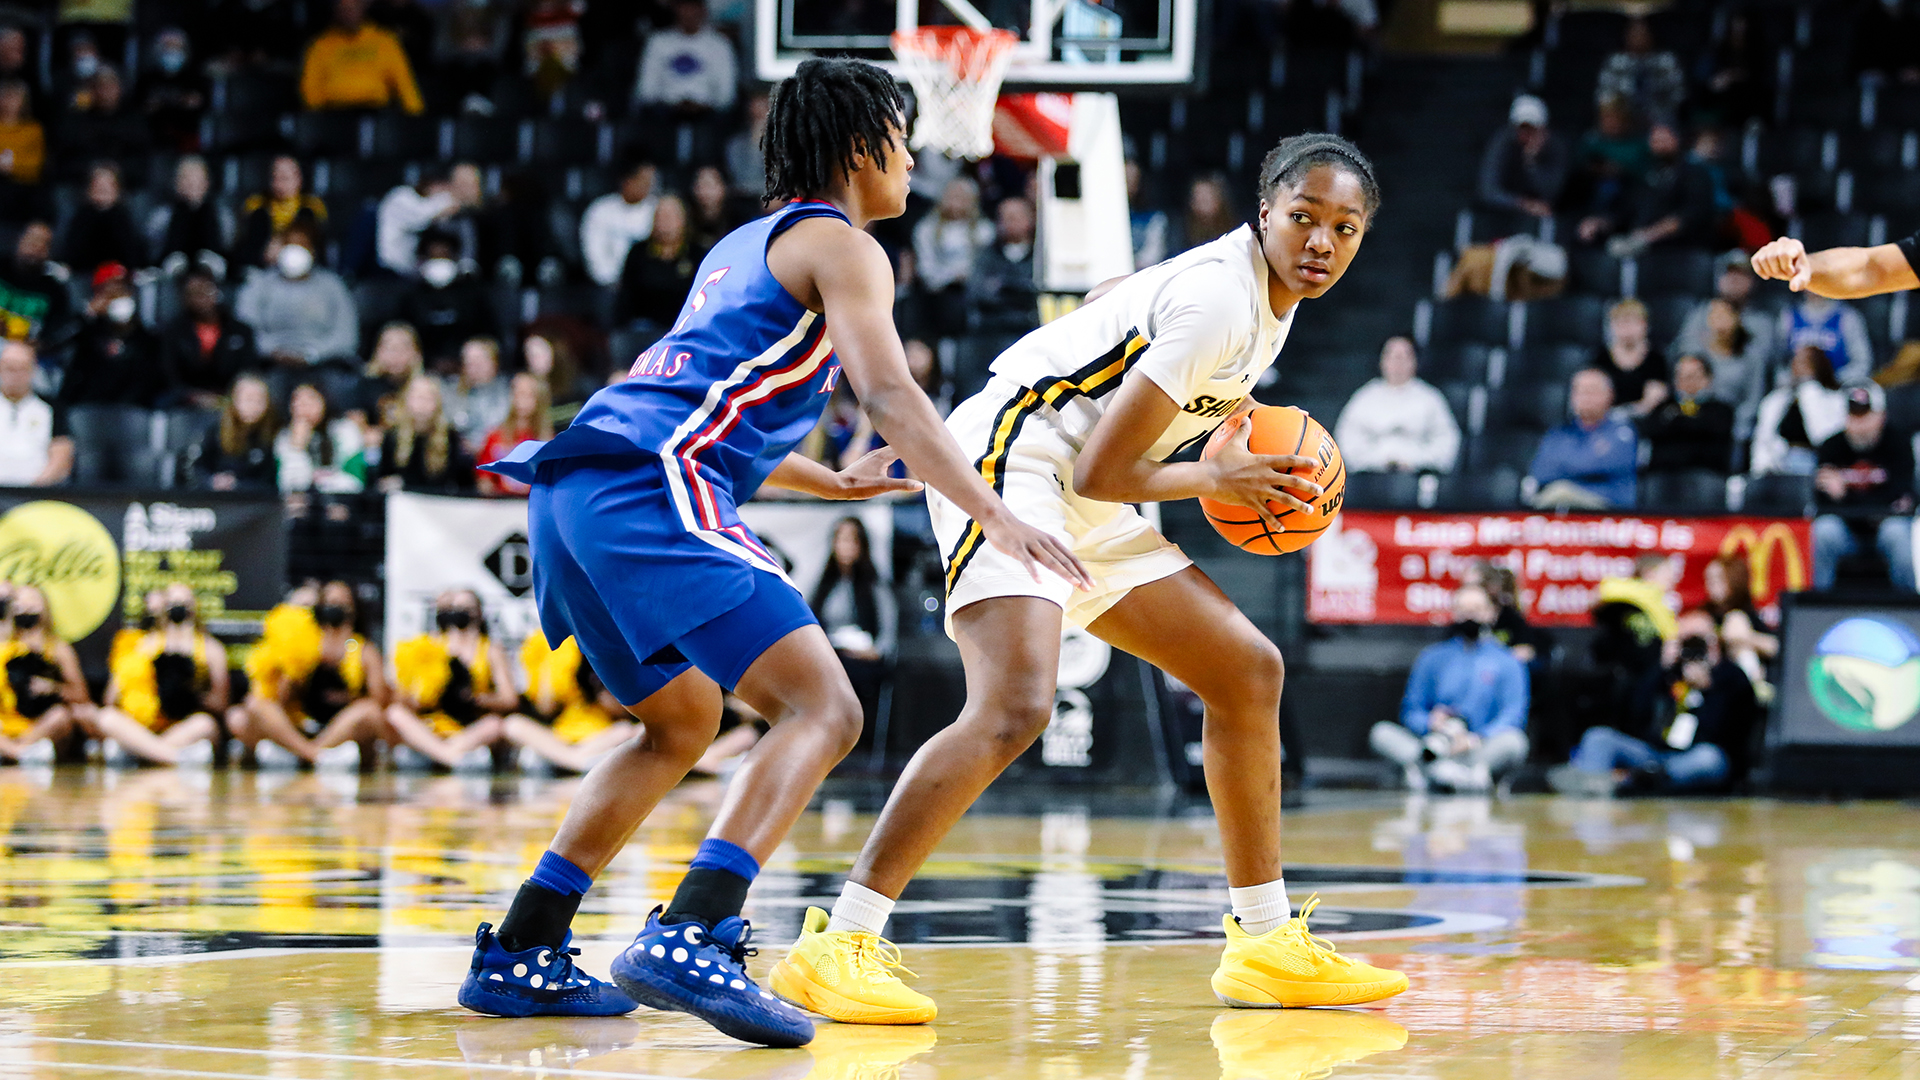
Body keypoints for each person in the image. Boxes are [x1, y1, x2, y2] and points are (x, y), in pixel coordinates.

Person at [463, 58, 1087, 1044]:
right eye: (905, 140)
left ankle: (524, 945)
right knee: (824, 706)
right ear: (861, 146)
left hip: (579, 478)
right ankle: (697, 931)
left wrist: (829, 481)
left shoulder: (741, 247)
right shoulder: (846, 248)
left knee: (679, 722)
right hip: (642, 480)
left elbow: (703, 408)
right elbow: (887, 393)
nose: (916, 161)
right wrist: (990, 510)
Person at [772, 132, 1408, 1031]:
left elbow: (1120, 313)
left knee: (1245, 671)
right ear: (1263, 213)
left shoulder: (1261, 296)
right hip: (1015, 458)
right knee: (1014, 706)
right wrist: (1213, 478)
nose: (1320, 243)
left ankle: (1263, 944)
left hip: (1076, 474)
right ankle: (838, 943)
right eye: (1303, 218)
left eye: (1344, 229)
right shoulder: (1223, 303)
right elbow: (1109, 470)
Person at [1550, 613, 1758, 796]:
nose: (1692, 648)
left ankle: (1628, 781)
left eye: (1698, 640)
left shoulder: (1731, 676)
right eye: (1686, 640)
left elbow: (1724, 733)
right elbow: (1634, 714)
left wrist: (1708, 689)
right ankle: (1592, 785)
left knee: (1709, 759)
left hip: (1694, 758)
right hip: (1653, 754)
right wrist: (1662, 666)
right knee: (1598, 737)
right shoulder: (1668, 673)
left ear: (1713, 641)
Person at [1369, 583, 1530, 793]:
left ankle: (1440, 776)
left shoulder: (1508, 661)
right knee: (1381, 733)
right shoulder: (1432, 657)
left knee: (1515, 742)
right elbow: (1411, 710)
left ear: (1491, 613)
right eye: (1464, 610)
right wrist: (1430, 722)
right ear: (1454, 612)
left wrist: (1476, 738)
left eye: (1477, 610)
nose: (1470, 616)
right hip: (1435, 746)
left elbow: (1513, 715)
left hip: (1478, 749)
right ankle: (1446, 774)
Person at [231, 581, 386, 768]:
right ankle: (310, 753)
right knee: (254, 704)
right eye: (329, 603)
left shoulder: (363, 650)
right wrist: (293, 674)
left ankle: (312, 752)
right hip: (301, 724)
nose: (334, 609)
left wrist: (347, 697)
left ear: (353, 609)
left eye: (340, 604)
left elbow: (379, 701)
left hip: (341, 729)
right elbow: (281, 698)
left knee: (369, 710)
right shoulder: (304, 643)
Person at [90, 583, 228, 766]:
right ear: (163, 609)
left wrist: (191, 694)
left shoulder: (211, 648)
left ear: (194, 608)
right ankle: (174, 758)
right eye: (173, 605)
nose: (178, 612)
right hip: (142, 726)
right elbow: (111, 698)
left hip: (181, 728)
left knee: (205, 724)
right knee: (106, 717)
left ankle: (141, 753)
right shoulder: (143, 645)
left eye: (184, 605)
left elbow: (222, 703)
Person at [386, 588, 518, 769]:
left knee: (495, 724)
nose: (457, 612)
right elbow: (404, 695)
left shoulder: (490, 648)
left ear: (479, 612)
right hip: (433, 723)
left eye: (466, 607)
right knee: (395, 713)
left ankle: (435, 754)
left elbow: (510, 699)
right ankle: (451, 757)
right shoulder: (427, 645)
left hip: (471, 725)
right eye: (452, 607)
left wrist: (475, 699)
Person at [1813, 381, 1916, 592]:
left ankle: (1910, 607)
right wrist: (1875, 505)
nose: (1858, 425)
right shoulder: (1831, 447)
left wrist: (1844, 495)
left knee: (1897, 532)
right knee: (1823, 530)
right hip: (1847, 532)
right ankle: (1815, 604)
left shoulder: (1898, 444)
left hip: (1884, 530)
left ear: (1881, 416)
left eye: (1865, 416)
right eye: (1853, 417)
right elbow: (1822, 503)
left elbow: (1902, 496)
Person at [503, 632, 637, 773]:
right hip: (562, 736)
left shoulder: (602, 639)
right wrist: (550, 662)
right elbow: (545, 708)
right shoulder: (546, 644)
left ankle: (565, 761)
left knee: (626, 730)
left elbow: (621, 710)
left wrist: (596, 687)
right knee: (513, 724)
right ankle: (579, 762)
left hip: (600, 734)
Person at [811, 517, 895, 732]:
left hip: (862, 661)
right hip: (829, 656)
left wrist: (868, 651)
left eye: (853, 540)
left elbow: (886, 643)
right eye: (841, 539)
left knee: (842, 675)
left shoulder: (876, 586)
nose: (846, 546)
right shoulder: (823, 586)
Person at [235, 223, 359, 366]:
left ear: (313, 250)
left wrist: (312, 355)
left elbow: (347, 335)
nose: (295, 250)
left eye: (302, 245)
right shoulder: (259, 283)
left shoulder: (332, 285)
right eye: (289, 244)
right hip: (269, 363)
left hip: (323, 364)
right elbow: (244, 327)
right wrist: (271, 351)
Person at [1333, 336, 1460, 473]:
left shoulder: (1430, 398)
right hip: (1371, 478)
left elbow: (1446, 442)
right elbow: (1347, 439)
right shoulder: (1364, 397)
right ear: (1382, 361)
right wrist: (1379, 461)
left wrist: (1415, 461)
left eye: (1404, 356)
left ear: (1415, 361)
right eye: (1392, 356)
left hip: (1418, 476)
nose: (1398, 362)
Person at [0, 584, 87, 763]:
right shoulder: (4, 645)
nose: (25, 609)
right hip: (6, 721)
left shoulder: (58, 648)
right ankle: (19, 752)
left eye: (31, 604)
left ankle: (12, 750)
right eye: (19, 605)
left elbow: (82, 696)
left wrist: (53, 688)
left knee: (60, 716)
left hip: (40, 724)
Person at [60, 264, 169, 408]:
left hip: (132, 414)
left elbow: (151, 382)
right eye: (110, 294)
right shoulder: (88, 334)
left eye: (122, 291)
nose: (117, 298)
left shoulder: (147, 339)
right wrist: (86, 316)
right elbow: (55, 343)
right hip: (89, 411)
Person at [1529, 369, 1639, 509]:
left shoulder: (1623, 432)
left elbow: (1605, 463)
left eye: (1591, 391)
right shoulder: (1559, 433)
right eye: (1579, 391)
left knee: (1561, 491)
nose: (1585, 397)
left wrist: (1565, 464)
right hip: (1563, 507)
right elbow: (1541, 472)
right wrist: (1585, 461)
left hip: (1610, 508)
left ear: (1610, 395)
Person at [160, 267, 259, 410]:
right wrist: (194, 396)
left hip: (231, 396)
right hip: (186, 398)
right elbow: (170, 373)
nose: (202, 298)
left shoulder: (240, 330)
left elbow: (248, 369)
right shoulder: (174, 331)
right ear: (185, 298)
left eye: (206, 291)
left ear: (217, 291)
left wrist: (227, 396)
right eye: (194, 293)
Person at [300, 0, 425, 114]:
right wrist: (316, 118)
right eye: (344, 8)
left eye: (353, 7)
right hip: (334, 114)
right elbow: (310, 89)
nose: (349, 13)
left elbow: (405, 83)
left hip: (376, 113)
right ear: (336, 10)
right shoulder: (320, 45)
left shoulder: (384, 41)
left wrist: (416, 116)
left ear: (363, 7)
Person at [912, 176, 993, 337]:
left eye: (962, 197)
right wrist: (950, 277)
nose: (956, 202)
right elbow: (926, 269)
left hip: (974, 294)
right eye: (952, 196)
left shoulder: (984, 231)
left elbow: (984, 268)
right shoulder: (926, 229)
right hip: (936, 295)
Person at [1751, 344, 1848, 476]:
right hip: (1779, 465)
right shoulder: (1776, 399)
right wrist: (1760, 470)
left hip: (1818, 465)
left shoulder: (1836, 399)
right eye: (1795, 361)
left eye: (1805, 362)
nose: (1797, 367)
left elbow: (1822, 436)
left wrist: (1809, 389)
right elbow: (1763, 439)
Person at [400, 230, 492, 368]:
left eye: (444, 253)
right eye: (434, 254)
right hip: (422, 366)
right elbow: (404, 333)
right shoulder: (411, 295)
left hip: (466, 366)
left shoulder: (472, 294)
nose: (439, 257)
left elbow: (486, 335)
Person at [634, 0, 737, 118]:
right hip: (665, 116)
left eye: (693, 7)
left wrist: (702, 106)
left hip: (708, 116)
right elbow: (646, 90)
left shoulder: (720, 44)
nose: (688, 13)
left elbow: (726, 95)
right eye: (684, 7)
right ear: (675, 10)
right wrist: (673, 105)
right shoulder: (658, 41)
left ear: (703, 10)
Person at [614, 194, 701, 333]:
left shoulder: (697, 254)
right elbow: (626, 297)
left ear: (684, 219)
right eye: (661, 215)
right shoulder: (638, 252)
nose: (665, 220)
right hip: (643, 327)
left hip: (684, 327)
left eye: (671, 215)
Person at [377, 373, 475, 493]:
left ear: (438, 404)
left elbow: (462, 480)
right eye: (417, 398)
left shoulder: (451, 437)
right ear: (406, 401)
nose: (422, 405)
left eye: (428, 399)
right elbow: (382, 478)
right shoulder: (392, 437)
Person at [378, 165, 480, 278]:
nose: (445, 191)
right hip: (391, 270)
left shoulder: (434, 204)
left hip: (413, 268)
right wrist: (453, 200)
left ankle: (467, 266)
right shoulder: (401, 196)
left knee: (464, 222)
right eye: (442, 186)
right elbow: (422, 217)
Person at [1477, 95, 1567, 220]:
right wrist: (1522, 204)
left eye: (1532, 129)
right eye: (1522, 128)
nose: (1526, 135)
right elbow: (1488, 191)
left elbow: (1552, 192)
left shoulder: (1555, 147)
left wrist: (1531, 162)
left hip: (1540, 219)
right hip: (1501, 215)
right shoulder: (1503, 143)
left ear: (1543, 130)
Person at [1641, 355, 1734, 473]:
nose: (1685, 382)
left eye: (1691, 376)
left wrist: (1675, 421)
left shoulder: (1721, 409)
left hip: (1704, 473)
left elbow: (1709, 428)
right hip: (1664, 473)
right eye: (1680, 377)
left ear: (1707, 379)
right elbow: (1649, 429)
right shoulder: (1662, 407)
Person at [236, 156, 328, 272]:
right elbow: (247, 247)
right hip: (263, 267)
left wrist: (282, 246)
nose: (278, 184)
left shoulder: (312, 207)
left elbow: (318, 249)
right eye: (274, 178)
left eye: (285, 178)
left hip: (302, 267)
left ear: (298, 179)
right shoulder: (256, 205)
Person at [966, 195, 1041, 339]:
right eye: (1005, 217)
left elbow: (1039, 292)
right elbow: (977, 292)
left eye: (1016, 217)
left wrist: (1005, 288)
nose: (1010, 222)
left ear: (1030, 219)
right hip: (991, 332)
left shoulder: (1040, 256)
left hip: (1031, 328)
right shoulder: (986, 255)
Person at [276, 380, 366, 498]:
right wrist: (297, 447)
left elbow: (355, 482)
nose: (303, 405)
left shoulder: (345, 429)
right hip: (302, 502)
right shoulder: (285, 437)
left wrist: (320, 482)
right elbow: (290, 485)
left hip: (340, 500)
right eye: (297, 400)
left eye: (310, 399)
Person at [0, 339, 72, 486]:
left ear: (33, 369)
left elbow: (62, 451)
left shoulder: (51, 408)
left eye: (21, 368)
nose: (15, 375)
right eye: (9, 368)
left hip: (37, 492)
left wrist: (37, 487)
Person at [1701, 553, 1777, 692]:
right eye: (1708, 580)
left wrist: (1743, 638)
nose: (1710, 585)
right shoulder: (1705, 614)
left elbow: (1777, 647)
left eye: (1718, 579)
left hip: (1747, 681)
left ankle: (1756, 689)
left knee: (1736, 621)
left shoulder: (1746, 614)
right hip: (1714, 681)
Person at [148, 156, 232, 276]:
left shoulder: (222, 215)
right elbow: (154, 251)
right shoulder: (162, 216)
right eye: (186, 178)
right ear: (177, 183)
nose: (192, 184)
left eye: (197, 179)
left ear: (207, 183)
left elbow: (227, 246)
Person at [580, 160, 658, 287]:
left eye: (650, 182)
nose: (648, 186)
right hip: (608, 286)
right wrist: (613, 282)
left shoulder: (657, 209)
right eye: (643, 181)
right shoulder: (600, 209)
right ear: (627, 181)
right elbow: (595, 256)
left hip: (648, 285)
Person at [1596, 16, 1685, 126]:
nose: (1638, 38)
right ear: (1626, 36)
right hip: (1623, 119)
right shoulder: (1616, 62)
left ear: (1651, 35)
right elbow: (1604, 94)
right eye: (1634, 34)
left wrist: (1661, 99)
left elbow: (1679, 94)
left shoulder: (1665, 60)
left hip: (1660, 117)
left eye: (1642, 34)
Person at [60, 162, 145, 273]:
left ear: (118, 189)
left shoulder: (123, 216)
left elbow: (132, 255)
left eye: (108, 185)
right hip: (85, 275)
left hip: (117, 277)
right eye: (98, 185)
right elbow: (72, 255)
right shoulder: (82, 216)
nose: (103, 189)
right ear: (89, 189)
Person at [200, 374, 280, 492]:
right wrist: (212, 481)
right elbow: (199, 468)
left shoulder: (274, 433)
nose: (253, 405)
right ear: (235, 400)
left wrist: (238, 485)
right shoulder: (216, 429)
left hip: (256, 502)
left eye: (259, 400)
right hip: (216, 498)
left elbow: (270, 481)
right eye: (248, 399)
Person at [476, 371, 551, 495]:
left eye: (529, 395)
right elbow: (484, 478)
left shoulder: (547, 441)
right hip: (501, 506)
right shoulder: (495, 437)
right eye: (518, 394)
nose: (522, 401)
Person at [1591, 298, 1668, 418]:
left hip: (1646, 422)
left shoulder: (1656, 359)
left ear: (1645, 325)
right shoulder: (1599, 358)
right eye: (1621, 323)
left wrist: (1630, 412)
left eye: (1632, 322)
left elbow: (1654, 399)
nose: (1627, 329)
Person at [138, 27, 207, 153]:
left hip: (186, 138)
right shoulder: (147, 80)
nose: (172, 51)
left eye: (177, 47)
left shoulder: (195, 79)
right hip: (152, 137)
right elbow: (141, 107)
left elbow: (198, 105)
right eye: (168, 47)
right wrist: (179, 101)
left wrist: (165, 103)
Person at [0, 221, 72, 341]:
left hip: (23, 351)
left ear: (49, 252)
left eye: (42, 243)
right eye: (31, 239)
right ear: (20, 239)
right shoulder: (1, 265)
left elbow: (54, 335)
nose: (35, 246)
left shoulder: (54, 290)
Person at [441, 336, 510, 451]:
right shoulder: (452, 392)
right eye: (469, 363)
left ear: (494, 362)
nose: (474, 368)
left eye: (479, 362)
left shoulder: (508, 391)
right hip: (461, 457)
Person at [0, 77, 44, 223]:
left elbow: (36, 165)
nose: (10, 102)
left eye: (15, 97)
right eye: (7, 96)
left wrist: (13, 167)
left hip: (24, 188)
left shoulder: (33, 129)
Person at [1126, 158, 1170, 269]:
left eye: (1132, 179)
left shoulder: (1155, 219)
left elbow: (1152, 257)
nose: (1128, 185)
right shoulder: (1103, 216)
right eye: (1125, 179)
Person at [1177, 173, 1238, 252]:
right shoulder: (1181, 231)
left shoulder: (1234, 230)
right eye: (1198, 196)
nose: (1202, 201)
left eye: (1207, 196)